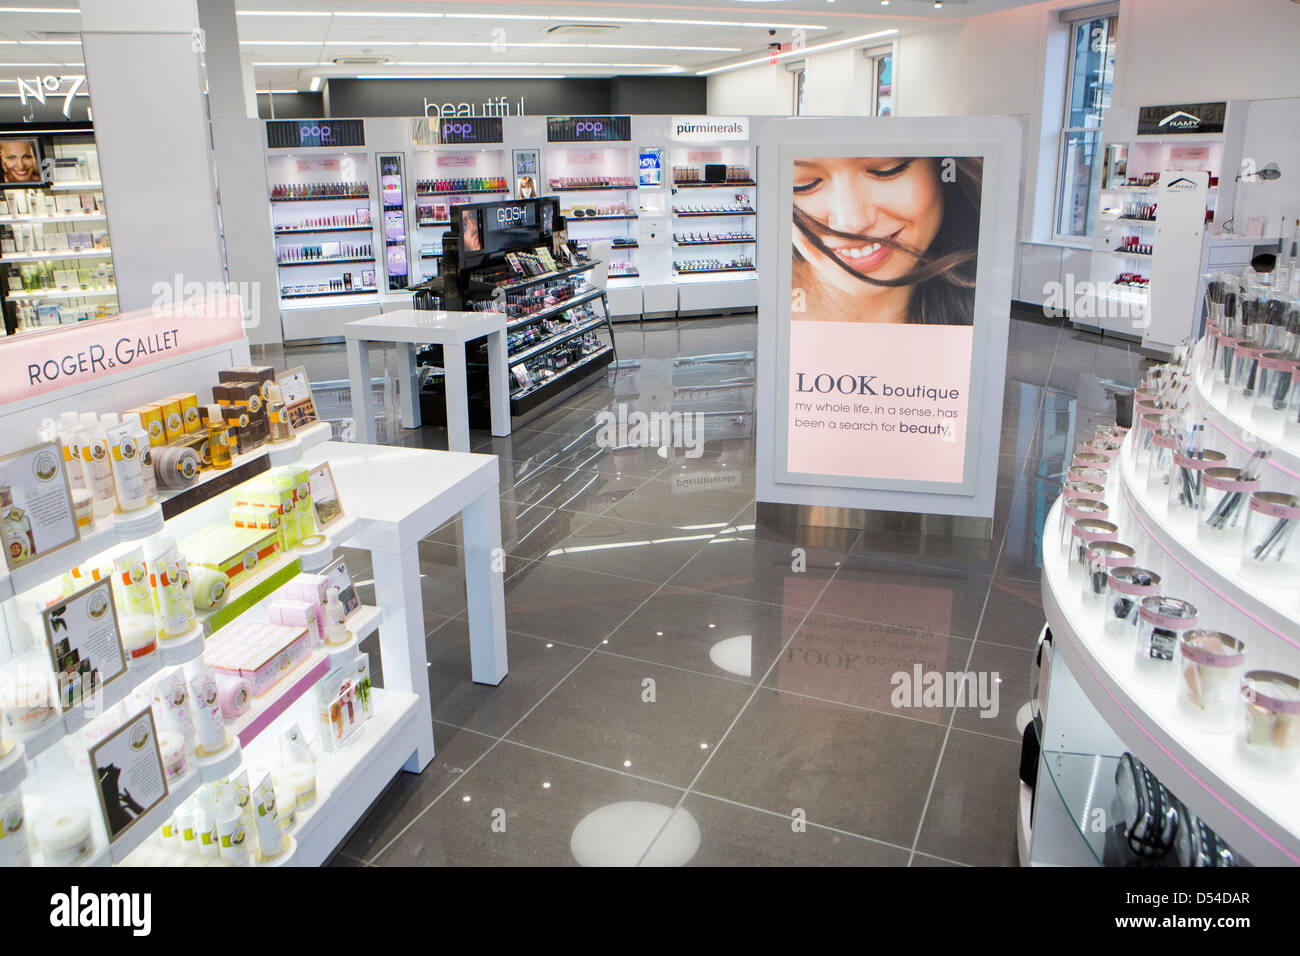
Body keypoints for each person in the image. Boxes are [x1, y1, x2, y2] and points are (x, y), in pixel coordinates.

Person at [791, 155, 981, 325]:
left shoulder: (995, 311)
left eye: (886, 170)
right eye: (803, 184)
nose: (851, 224)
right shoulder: (765, 319)